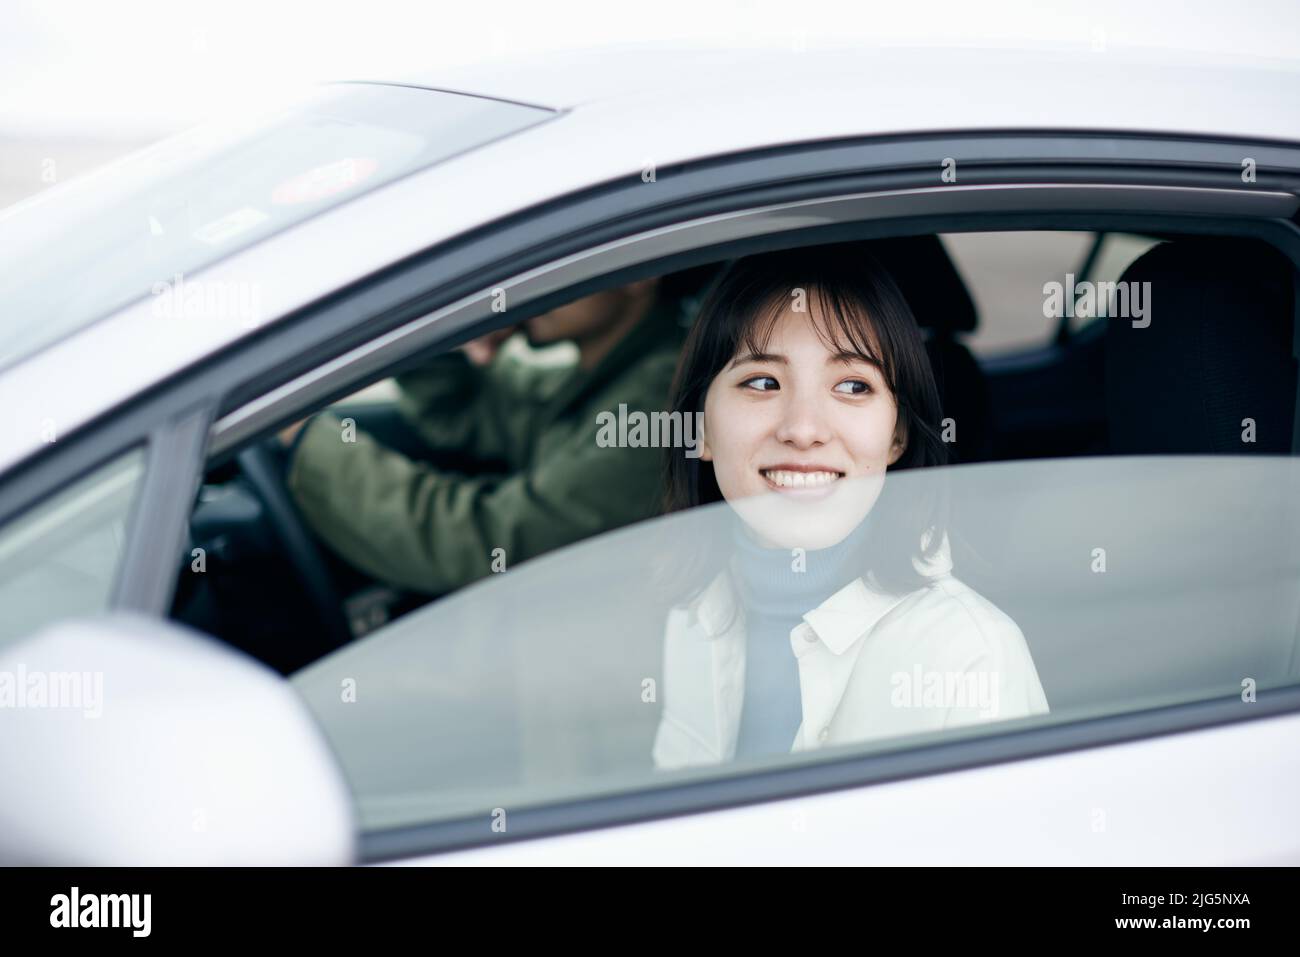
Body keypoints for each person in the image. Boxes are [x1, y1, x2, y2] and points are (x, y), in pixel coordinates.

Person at [650, 246, 1049, 769]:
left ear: (897, 434)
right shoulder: (693, 613)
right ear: (698, 428)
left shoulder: (970, 656)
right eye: (762, 382)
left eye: (853, 386)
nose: (804, 429)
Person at [278, 276, 690, 597]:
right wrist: (463, 332)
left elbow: (490, 540)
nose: (528, 281)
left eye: (560, 259)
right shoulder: (610, 378)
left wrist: (307, 440)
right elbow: (466, 410)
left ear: (637, 279)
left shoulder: (660, 401)